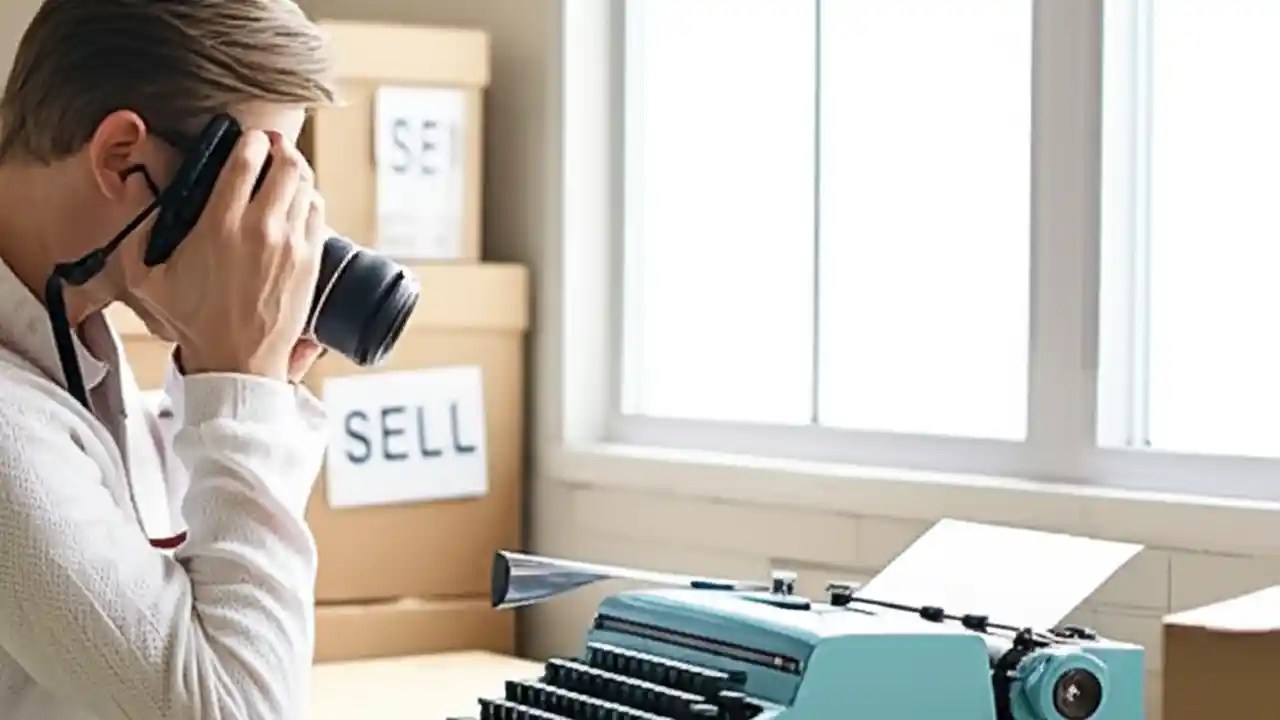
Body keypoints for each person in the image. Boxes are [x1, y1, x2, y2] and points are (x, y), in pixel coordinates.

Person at [0, 2, 339, 718]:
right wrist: (242, 394)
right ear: (122, 159)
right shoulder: (11, 423)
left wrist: (246, 374)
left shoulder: (71, 335)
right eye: (253, 183)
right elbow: (238, 709)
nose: (268, 234)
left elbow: (174, 606)